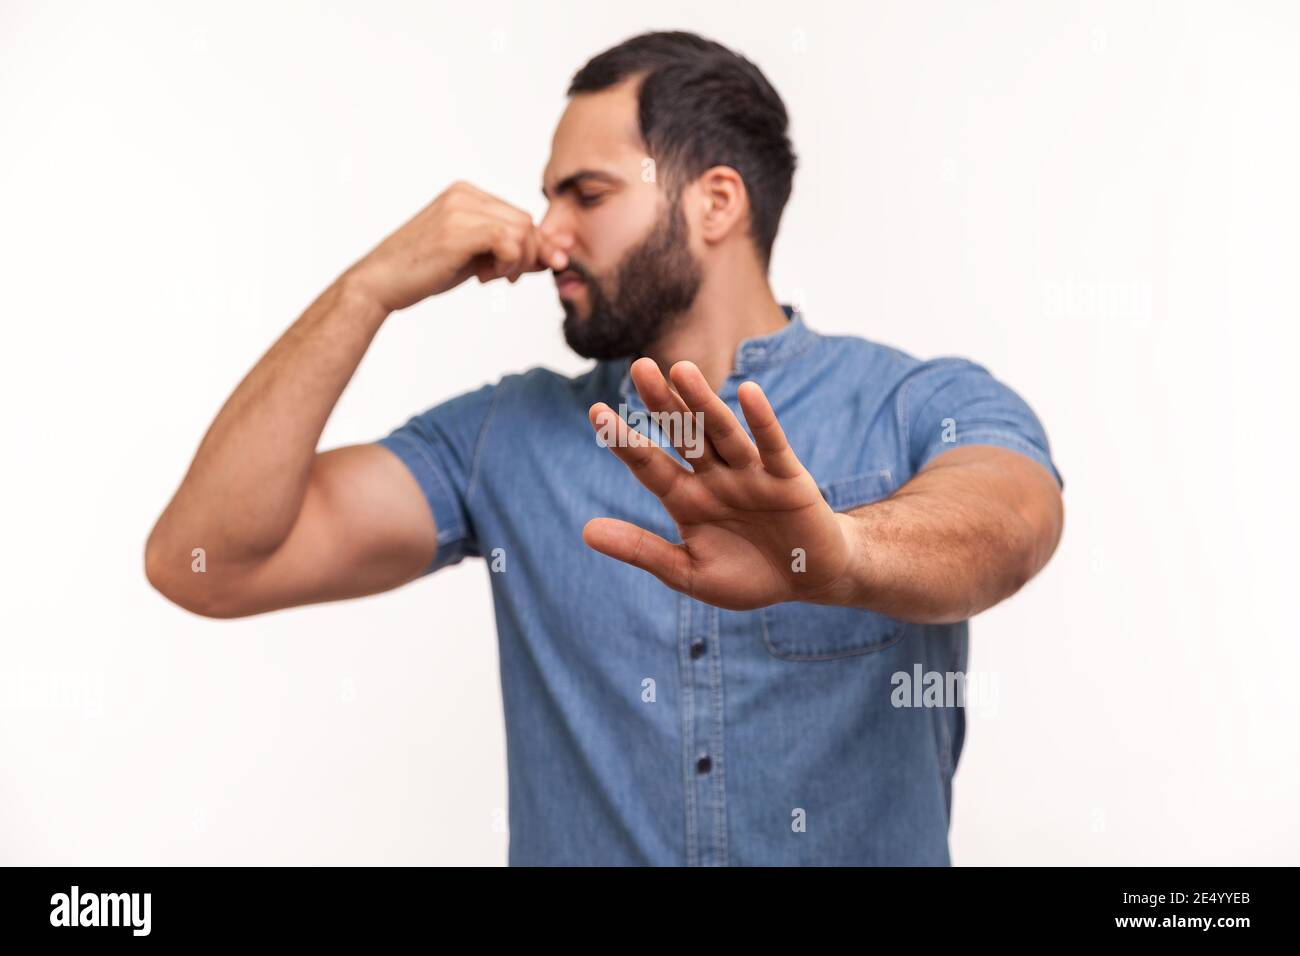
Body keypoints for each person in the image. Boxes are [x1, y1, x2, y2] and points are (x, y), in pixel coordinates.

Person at [146, 31, 1064, 865]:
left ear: (715, 203)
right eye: (548, 197)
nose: (548, 236)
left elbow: (1012, 521)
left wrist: (840, 553)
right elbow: (206, 563)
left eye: (587, 194)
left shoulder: (913, 402)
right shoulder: (502, 439)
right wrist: (366, 291)